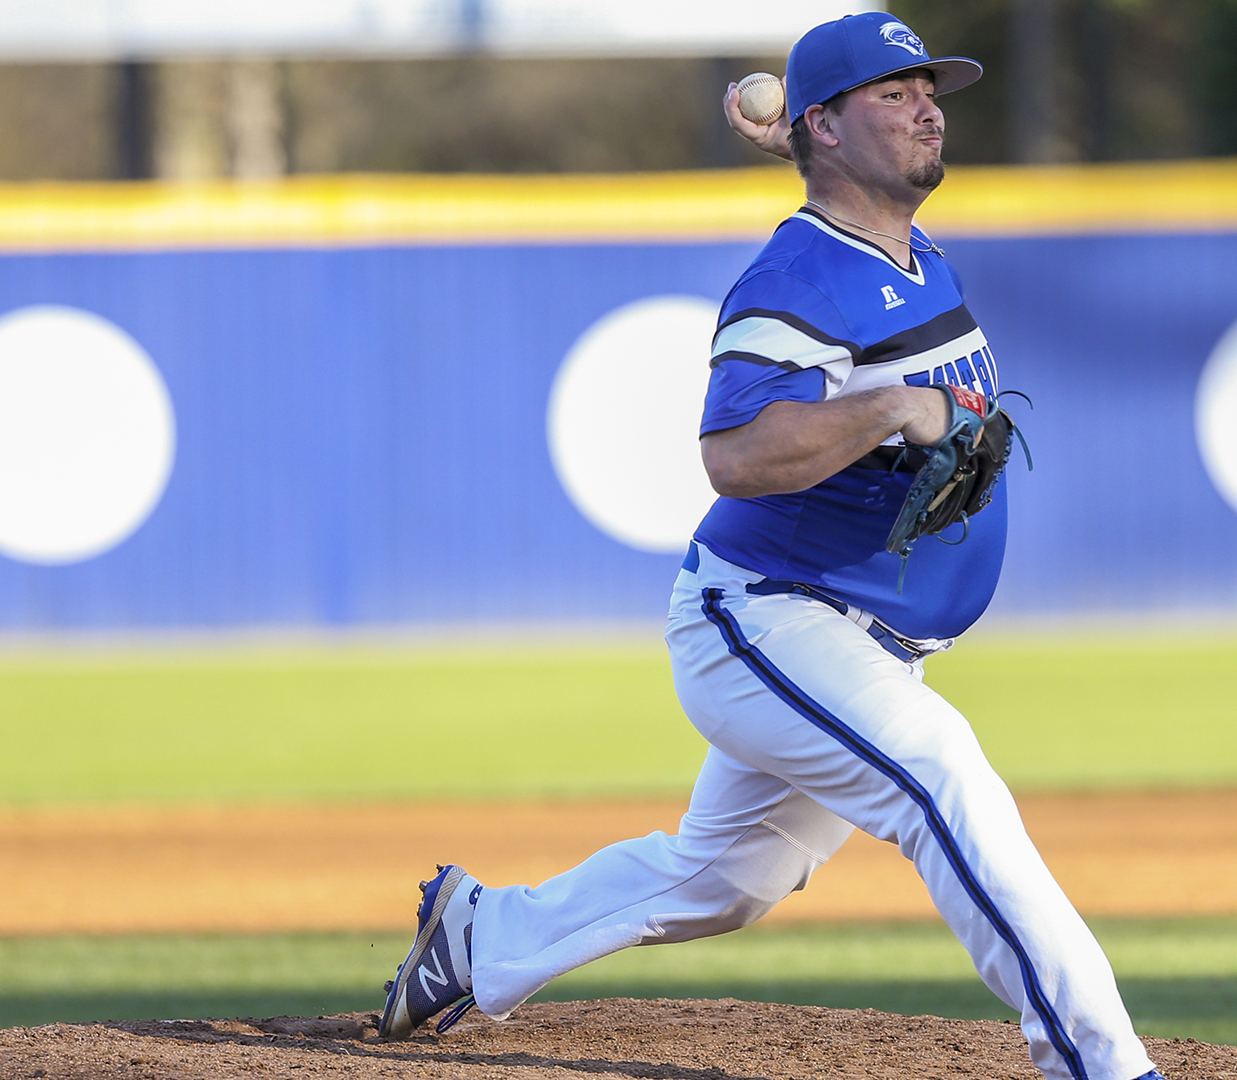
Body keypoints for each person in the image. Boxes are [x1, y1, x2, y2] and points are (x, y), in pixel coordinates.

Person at [377, 14, 1163, 1080]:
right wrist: (892, 406)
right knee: (945, 779)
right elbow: (736, 453)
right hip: (766, 618)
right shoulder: (793, 280)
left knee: (723, 880)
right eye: (895, 93)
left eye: (930, 90)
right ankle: (1104, 1066)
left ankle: (484, 936)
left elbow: (847, 223)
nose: (929, 109)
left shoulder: (903, 248)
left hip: (862, 634)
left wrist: (819, 141)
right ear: (828, 126)